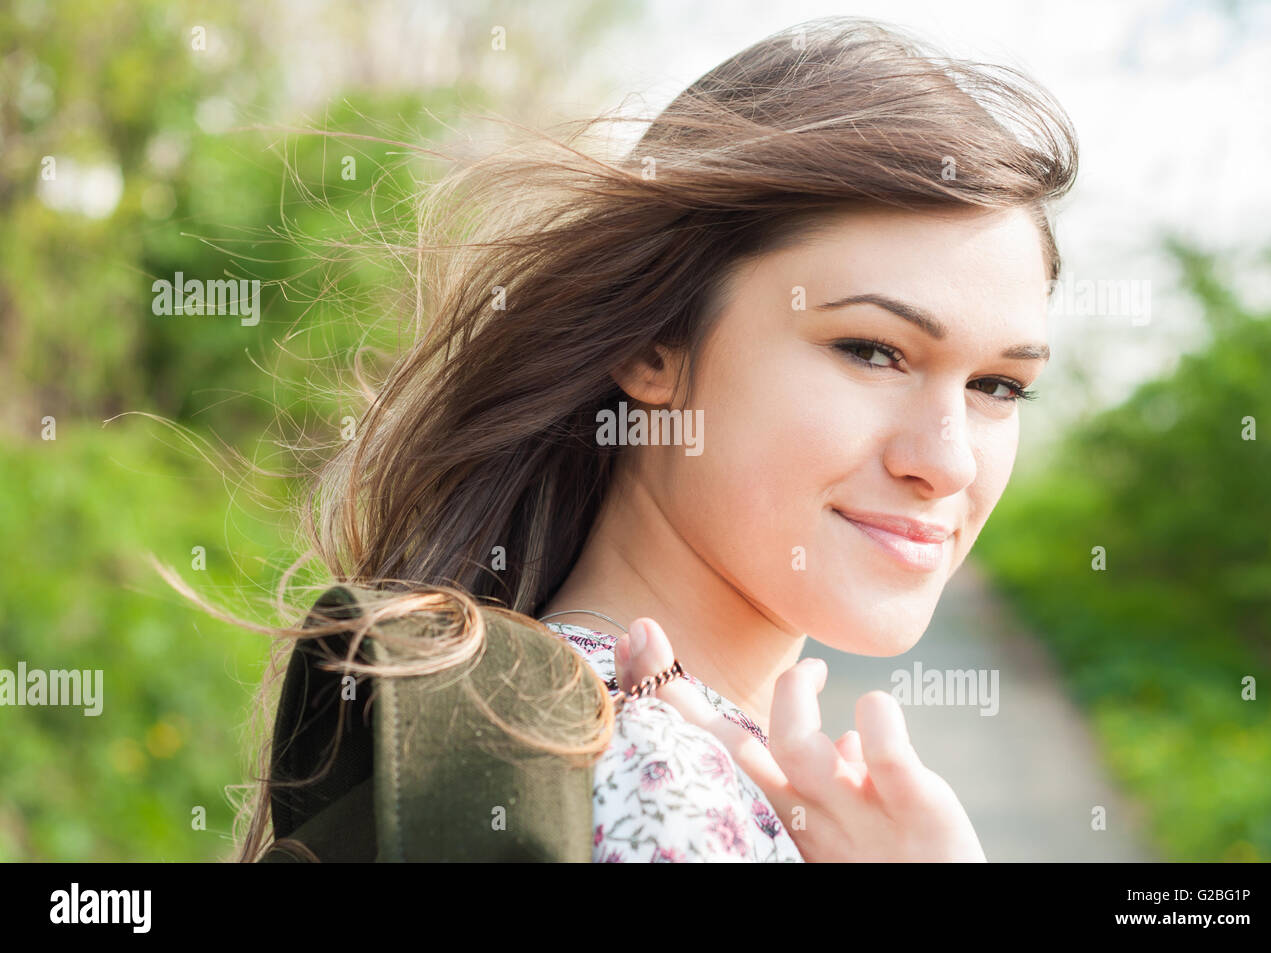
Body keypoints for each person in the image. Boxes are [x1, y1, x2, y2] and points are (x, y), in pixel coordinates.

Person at [186, 14, 1078, 862]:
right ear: (653, 346)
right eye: (872, 350)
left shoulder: (564, 731)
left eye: (997, 386)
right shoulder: (664, 784)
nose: (947, 460)